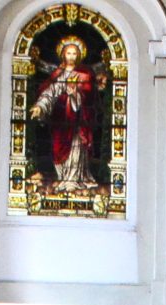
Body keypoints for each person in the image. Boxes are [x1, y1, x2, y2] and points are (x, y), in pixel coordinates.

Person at [30, 35, 102, 194]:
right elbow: (51, 91)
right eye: (68, 53)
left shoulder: (85, 74)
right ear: (63, 54)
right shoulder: (58, 73)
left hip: (78, 121)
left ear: (79, 55)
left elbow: (90, 97)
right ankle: (63, 177)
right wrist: (40, 106)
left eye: (74, 53)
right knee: (58, 148)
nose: (71, 57)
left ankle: (75, 180)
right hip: (60, 119)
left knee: (76, 148)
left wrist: (75, 93)